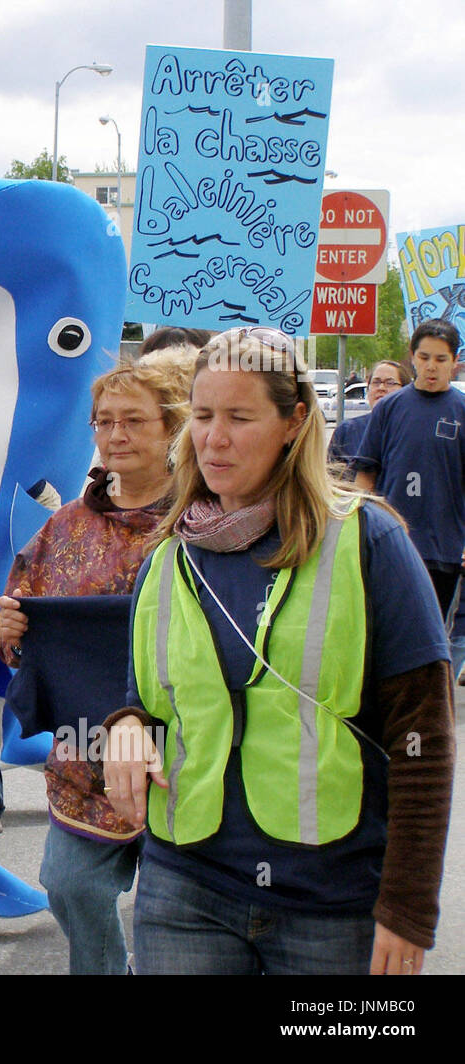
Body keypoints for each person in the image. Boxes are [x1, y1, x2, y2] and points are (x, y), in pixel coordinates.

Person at [105, 327, 455, 976]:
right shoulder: (168, 555)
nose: (214, 437)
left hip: (332, 900)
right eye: (204, 416)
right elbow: (149, 704)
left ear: (295, 421)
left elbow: (423, 736)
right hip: (183, 886)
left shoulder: (368, 540)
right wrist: (126, 730)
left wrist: (408, 908)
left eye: (240, 417)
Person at [0, 352, 192, 975]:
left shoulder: (206, 525)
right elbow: (24, 643)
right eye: (104, 422)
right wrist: (11, 629)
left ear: (173, 430)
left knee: (179, 921)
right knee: (70, 886)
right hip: (87, 759)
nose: (115, 435)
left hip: (190, 758)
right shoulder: (62, 529)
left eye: (133, 420)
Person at [354, 319, 465, 619]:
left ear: (455, 361)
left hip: (445, 551)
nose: (431, 366)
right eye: (424, 357)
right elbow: (366, 472)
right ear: (413, 356)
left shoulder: (461, 410)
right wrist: (359, 527)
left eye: (441, 359)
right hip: (392, 545)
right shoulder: (390, 408)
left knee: (434, 636)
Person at [326, 359, 409, 472]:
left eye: (390, 383)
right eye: (376, 382)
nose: (381, 388)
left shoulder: (413, 431)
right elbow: (332, 478)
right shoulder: (347, 431)